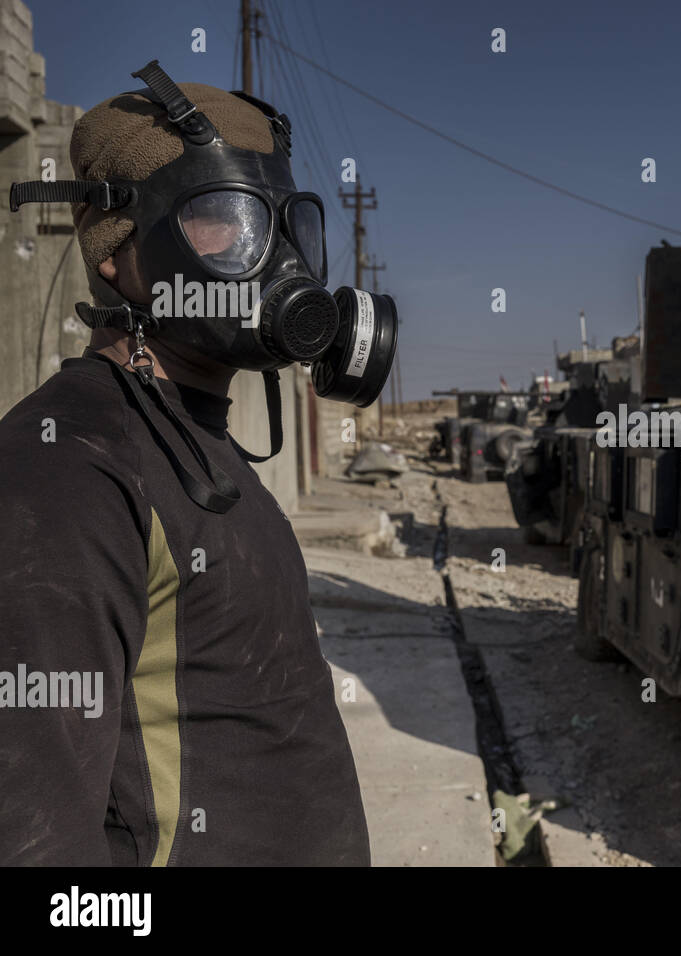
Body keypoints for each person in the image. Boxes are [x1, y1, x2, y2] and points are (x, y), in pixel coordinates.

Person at [0, 61, 391, 865]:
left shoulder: (200, 439)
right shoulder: (66, 469)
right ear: (118, 249)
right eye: (228, 219)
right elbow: (35, 848)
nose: (274, 259)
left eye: (289, 225)